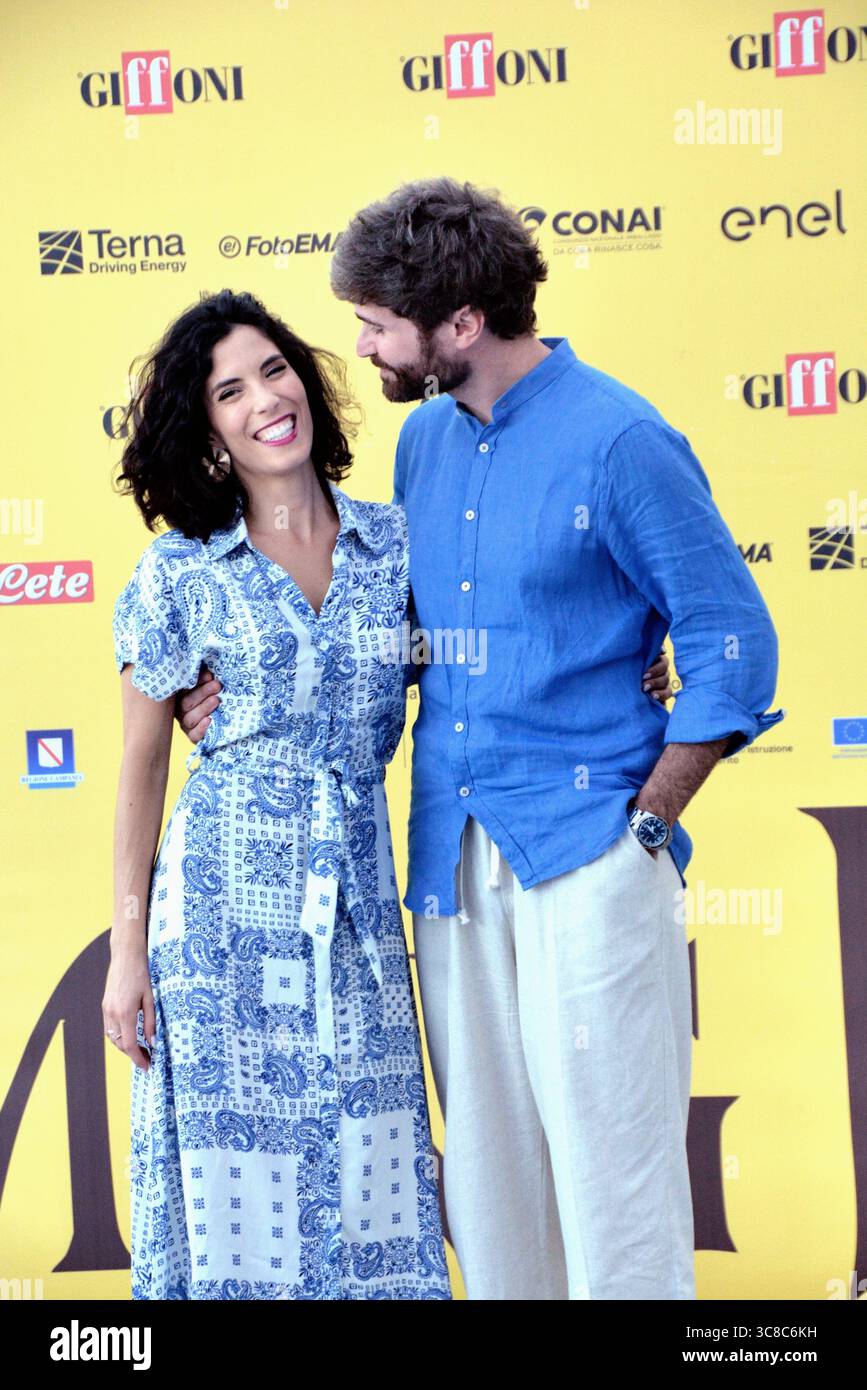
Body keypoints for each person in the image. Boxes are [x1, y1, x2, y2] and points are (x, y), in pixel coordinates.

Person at [176, 178, 771, 1302]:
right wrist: (237, 688)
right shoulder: (426, 449)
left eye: (376, 324)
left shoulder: (623, 439)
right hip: (450, 861)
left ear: (458, 327)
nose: (358, 346)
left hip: (587, 852)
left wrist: (650, 817)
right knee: (492, 1191)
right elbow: (404, 637)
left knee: (615, 1180)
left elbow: (731, 641)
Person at [102, 288, 452, 1300]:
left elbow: (495, 655)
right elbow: (138, 770)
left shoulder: (394, 548)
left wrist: (637, 669)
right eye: (230, 390)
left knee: (374, 1166)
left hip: (358, 911)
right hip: (218, 921)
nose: (265, 398)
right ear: (208, 431)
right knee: (239, 1185)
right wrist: (130, 952)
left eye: (274, 368)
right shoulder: (179, 573)